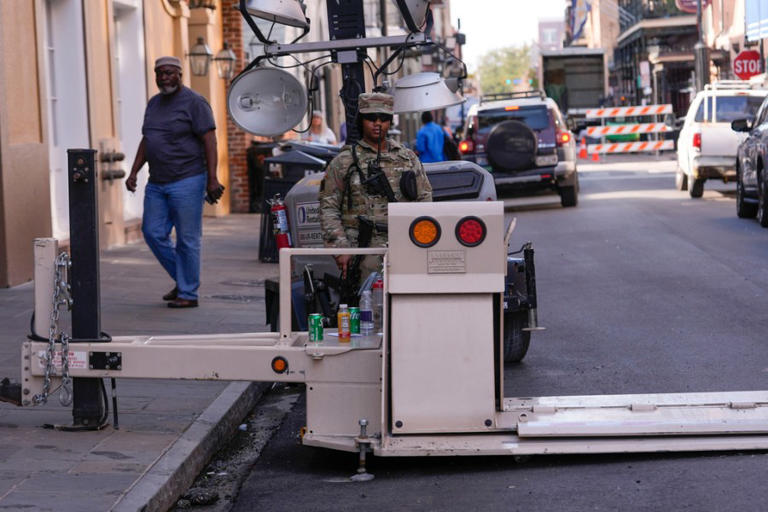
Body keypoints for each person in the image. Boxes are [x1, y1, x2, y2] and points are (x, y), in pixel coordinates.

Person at [125, 56, 224, 309]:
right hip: (157, 181)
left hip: (188, 179)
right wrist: (134, 171)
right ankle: (184, 280)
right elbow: (148, 140)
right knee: (152, 232)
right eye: (159, 73)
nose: (163, 77)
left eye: (169, 73)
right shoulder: (154, 104)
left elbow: (210, 141)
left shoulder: (195, 103)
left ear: (180, 74)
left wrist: (212, 179)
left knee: (187, 239)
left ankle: (188, 293)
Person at [319, 92, 432, 281]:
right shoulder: (345, 161)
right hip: (362, 251)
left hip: (405, 244)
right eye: (371, 118)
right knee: (368, 306)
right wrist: (340, 248)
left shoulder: (407, 158)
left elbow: (425, 199)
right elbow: (328, 206)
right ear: (361, 120)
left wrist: (422, 239)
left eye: (384, 118)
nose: (378, 123)